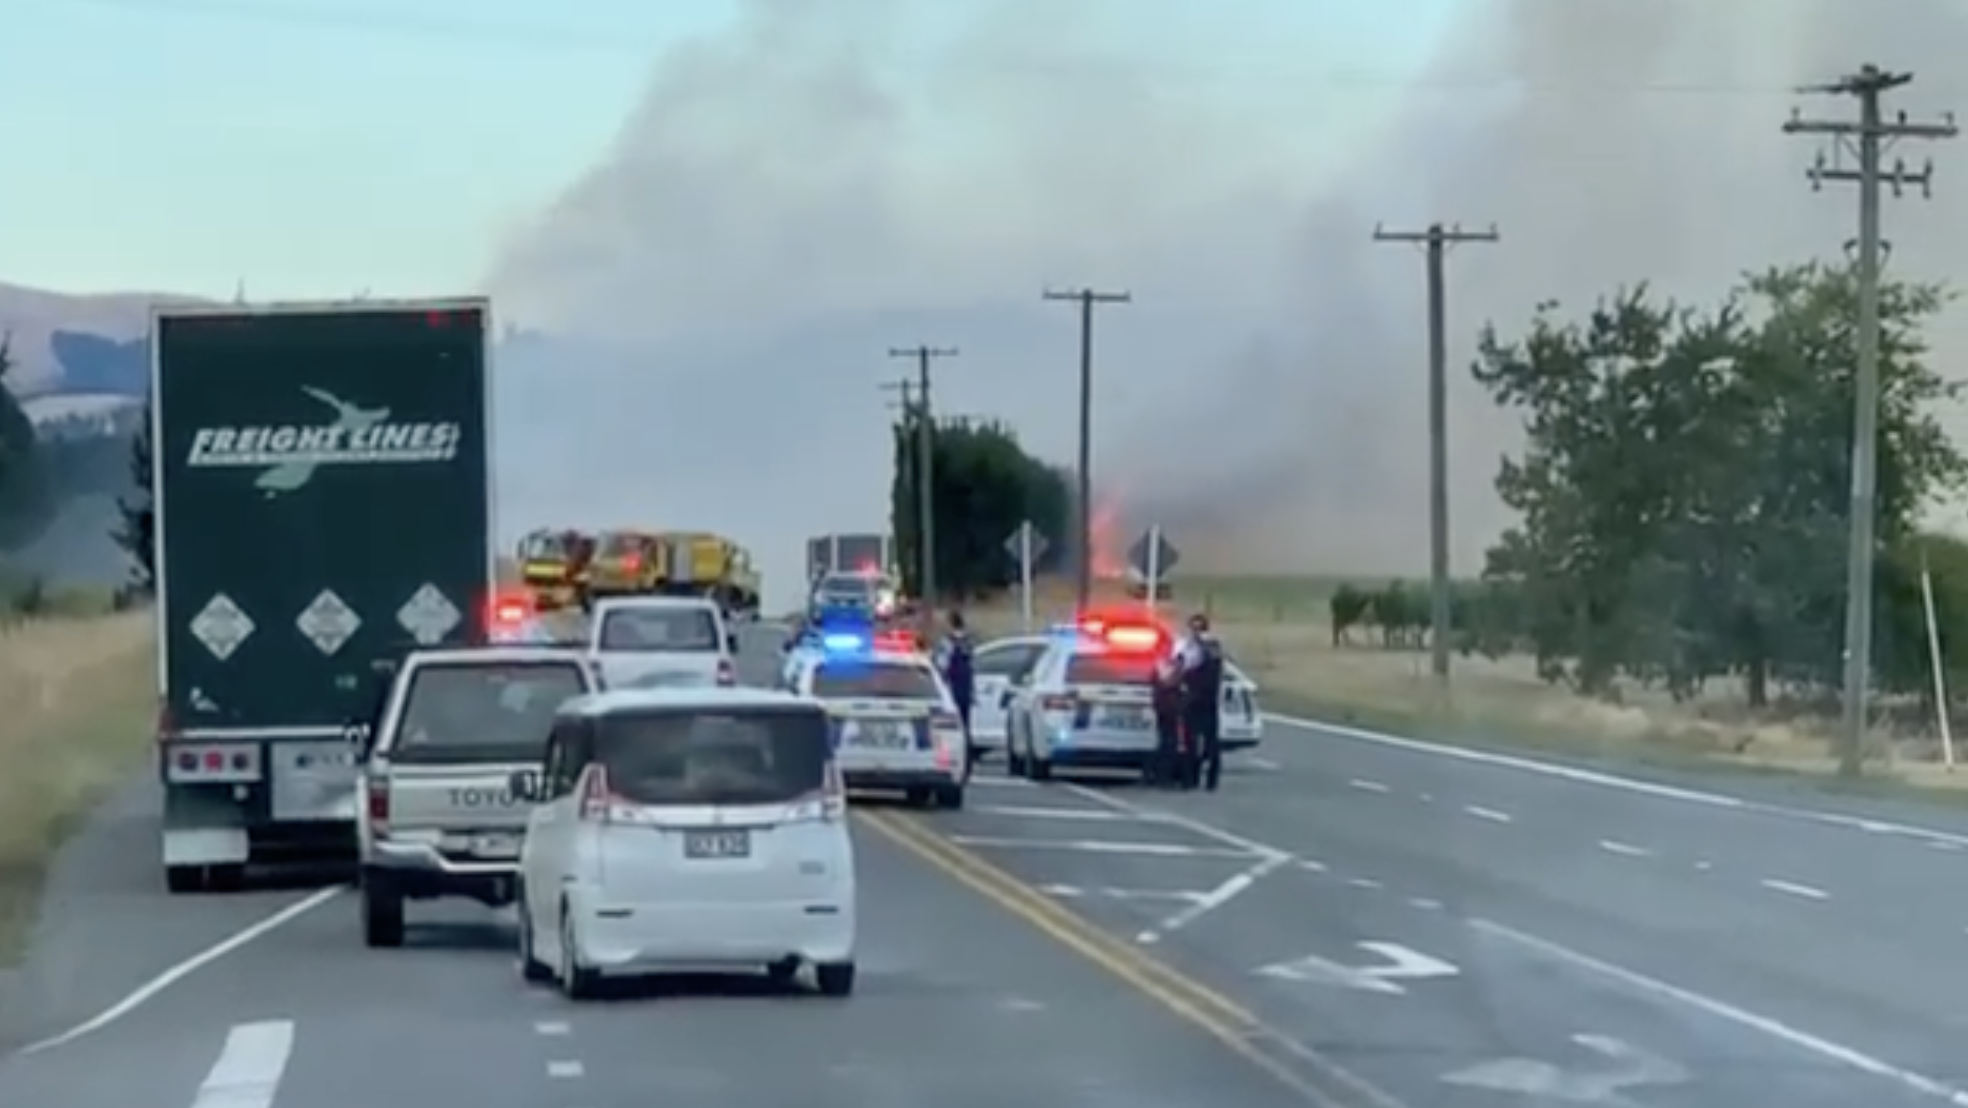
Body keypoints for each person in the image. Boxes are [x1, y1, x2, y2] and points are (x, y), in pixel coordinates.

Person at [1173, 613, 1226, 791]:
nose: (1195, 632)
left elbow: (1186, 667)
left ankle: (1208, 778)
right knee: (1192, 741)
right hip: (1194, 699)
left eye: (1198, 628)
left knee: (1208, 742)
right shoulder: (1190, 646)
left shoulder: (1207, 647)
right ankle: (1192, 778)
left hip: (1205, 699)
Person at [938, 610, 978, 762]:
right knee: (965, 722)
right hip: (965, 686)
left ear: (950, 623)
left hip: (952, 687)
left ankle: (955, 754)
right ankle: (967, 753)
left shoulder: (947, 641)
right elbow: (972, 665)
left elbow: (943, 664)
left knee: (952, 723)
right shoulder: (968, 641)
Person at [1147, 652, 1185, 787]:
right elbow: (1168, 682)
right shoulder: (1169, 668)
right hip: (1168, 710)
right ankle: (1163, 776)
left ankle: (1161, 775)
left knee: (1167, 743)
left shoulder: (1161, 666)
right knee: (1169, 743)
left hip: (1165, 709)